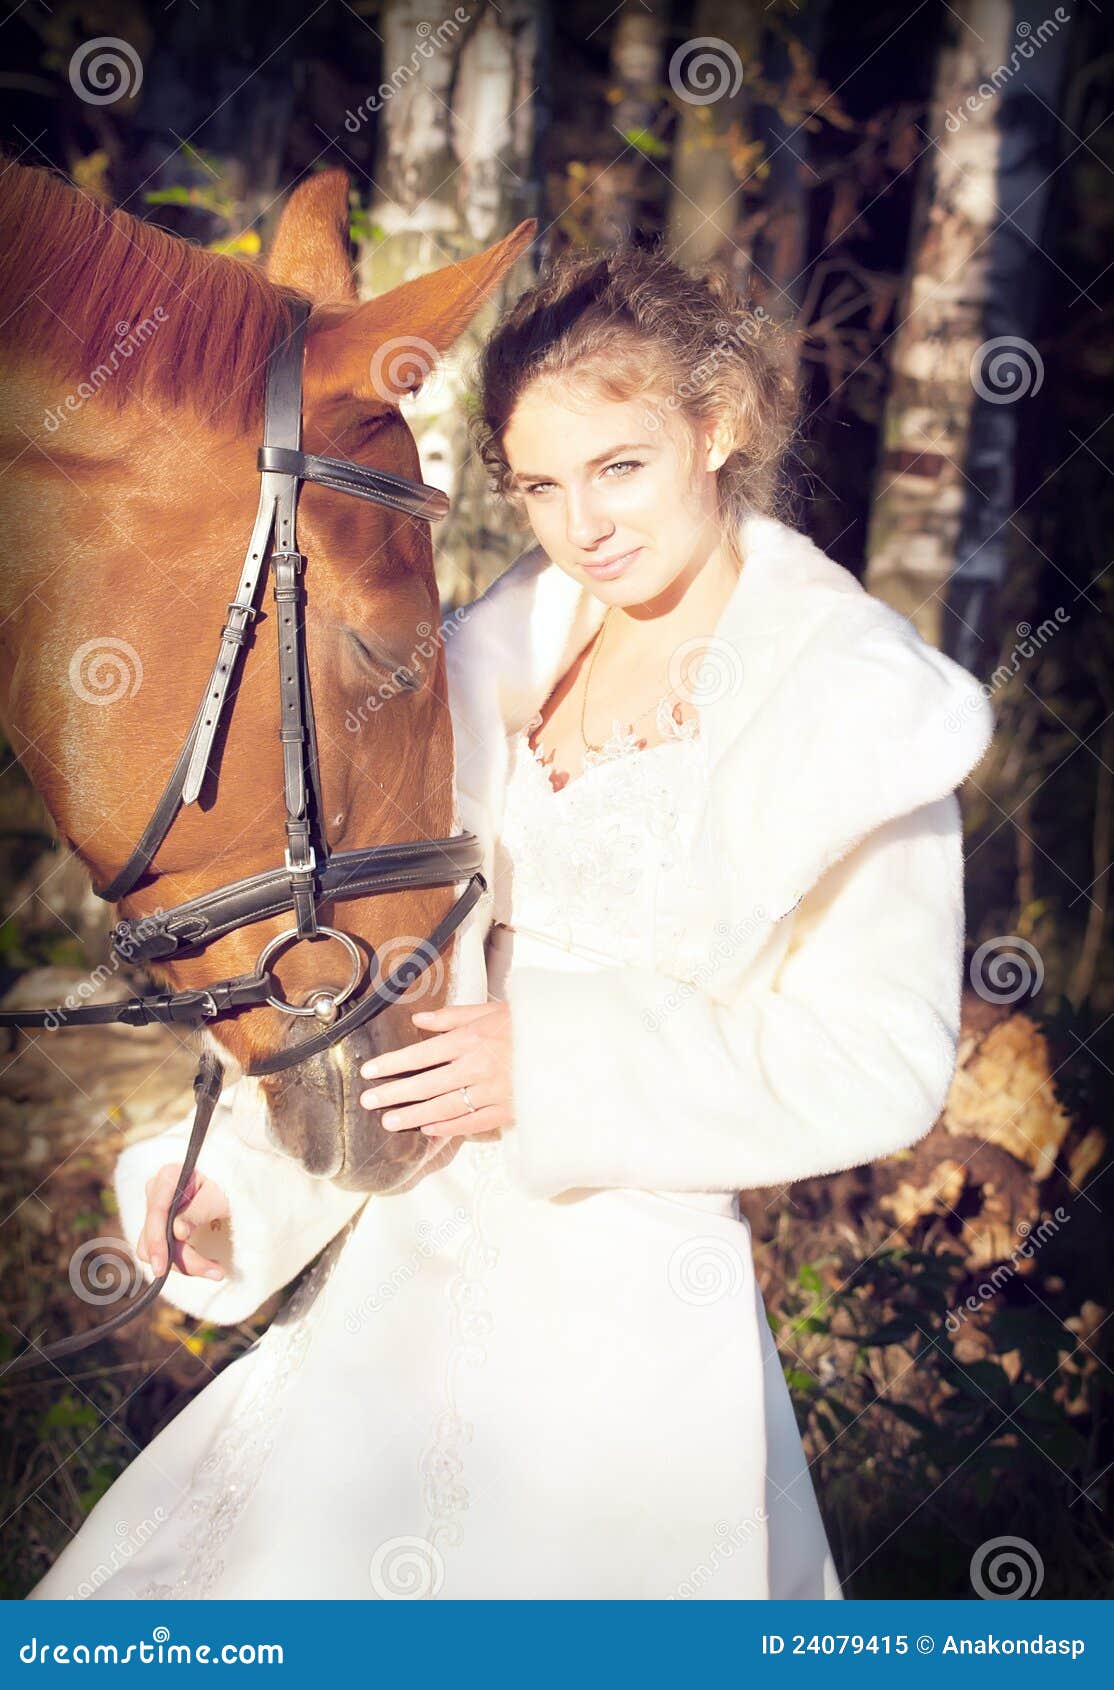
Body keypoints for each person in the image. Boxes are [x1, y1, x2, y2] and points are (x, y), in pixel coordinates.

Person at [26, 249, 992, 1602]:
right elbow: (399, 996)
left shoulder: (851, 716)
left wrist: (550, 1069)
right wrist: (237, 1187)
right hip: (397, 1304)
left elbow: (877, 1063)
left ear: (717, 428)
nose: (580, 524)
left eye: (618, 468)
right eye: (538, 486)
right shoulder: (483, 664)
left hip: (631, 1349)